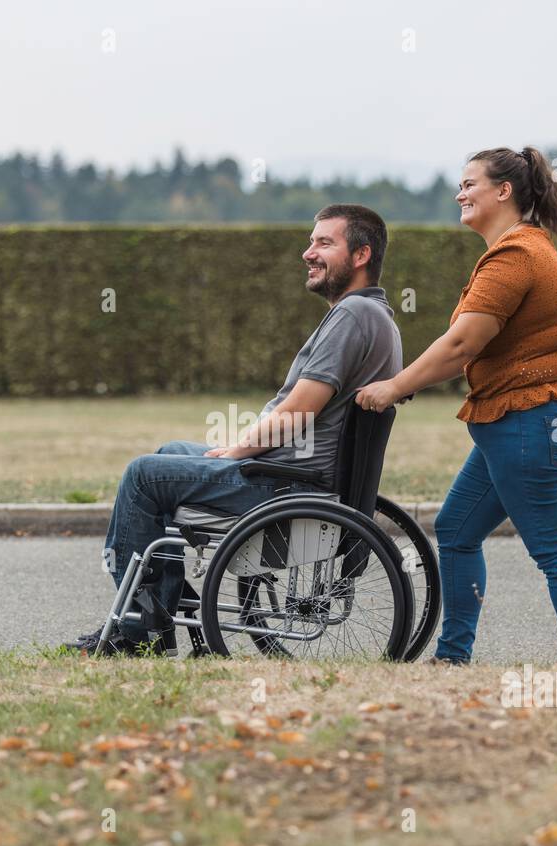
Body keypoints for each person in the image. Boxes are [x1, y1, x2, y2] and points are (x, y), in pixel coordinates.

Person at [68, 204, 403, 655]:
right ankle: (160, 615)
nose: (308, 253)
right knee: (170, 452)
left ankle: (140, 630)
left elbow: (299, 411)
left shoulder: (352, 317)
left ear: (361, 255)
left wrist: (239, 450)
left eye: (324, 242)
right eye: (310, 241)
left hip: (285, 485)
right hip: (297, 476)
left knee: (143, 475)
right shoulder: (376, 316)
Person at [355, 147, 557, 666]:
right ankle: (452, 657)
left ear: (504, 191)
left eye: (470, 184)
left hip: (533, 424)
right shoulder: (521, 249)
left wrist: (393, 386)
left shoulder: (516, 256)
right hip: (523, 423)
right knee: (457, 530)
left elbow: (461, 344)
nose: (459, 194)